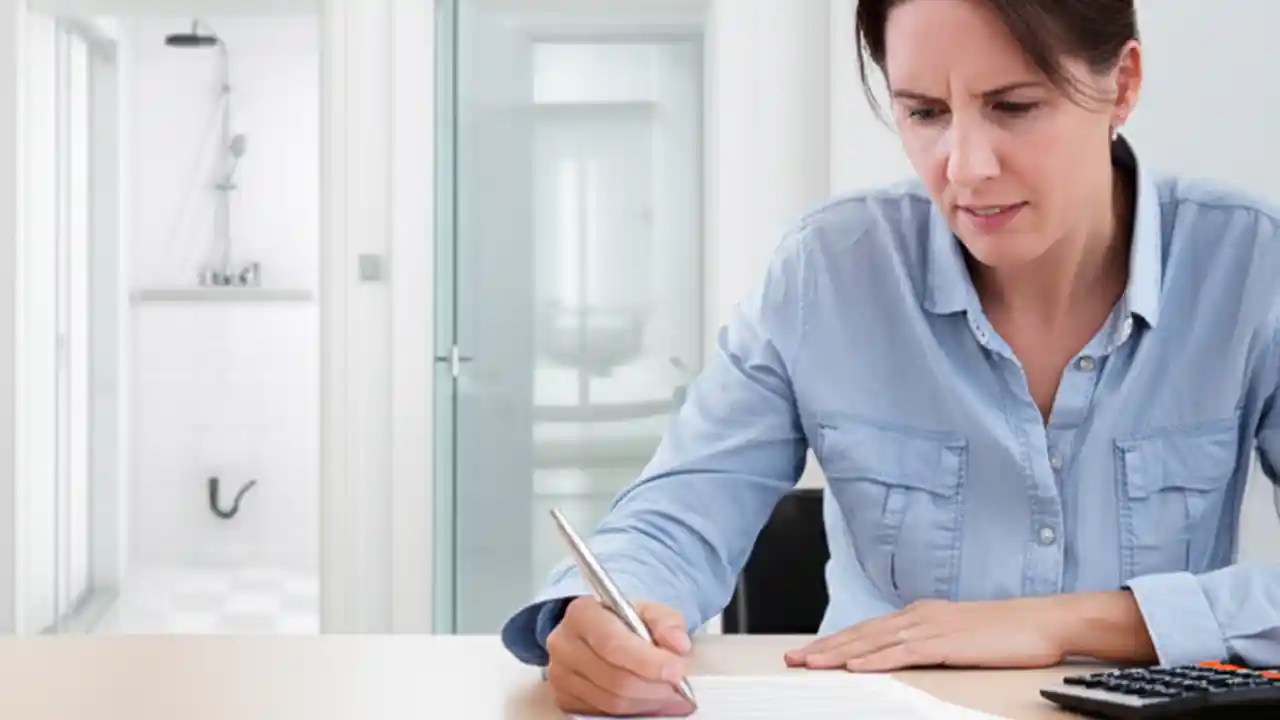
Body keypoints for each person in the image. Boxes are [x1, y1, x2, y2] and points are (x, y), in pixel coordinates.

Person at [502, 0, 1280, 716]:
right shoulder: (827, 271)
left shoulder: (1249, 265)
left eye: (1014, 106)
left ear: (1123, 83)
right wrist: (597, 614)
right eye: (924, 112)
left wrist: (1084, 622)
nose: (965, 166)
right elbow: (678, 513)